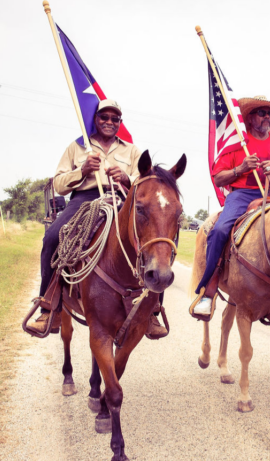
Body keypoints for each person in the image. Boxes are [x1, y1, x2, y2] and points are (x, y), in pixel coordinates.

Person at [26, 100, 167, 338]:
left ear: (120, 123)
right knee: (52, 237)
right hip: (85, 198)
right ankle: (48, 308)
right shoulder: (77, 147)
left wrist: (125, 177)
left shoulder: (131, 151)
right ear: (95, 119)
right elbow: (58, 184)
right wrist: (82, 171)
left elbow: (145, 184)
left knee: (155, 238)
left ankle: (153, 311)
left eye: (115, 119)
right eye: (105, 117)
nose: (110, 122)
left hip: (122, 196)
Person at [192, 95, 270, 325]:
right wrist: (240, 168)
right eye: (262, 113)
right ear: (250, 118)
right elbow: (218, 177)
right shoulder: (236, 143)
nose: (267, 117)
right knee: (220, 230)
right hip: (241, 195)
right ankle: (209, 291)